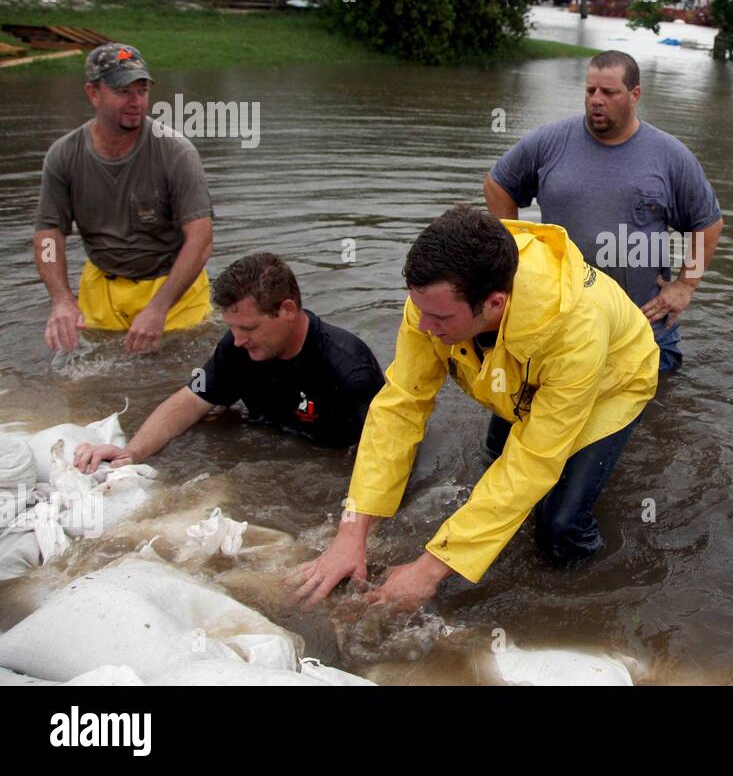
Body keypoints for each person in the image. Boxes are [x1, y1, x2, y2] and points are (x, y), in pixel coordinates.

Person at [290, 205, 658, 610]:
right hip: (519, 378)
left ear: (494, 304)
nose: (424, 326)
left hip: (612, 381)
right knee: (494, 462)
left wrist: (429, 570)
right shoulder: (434, 303)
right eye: (419, 310)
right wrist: (352, 532)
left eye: (440, 318)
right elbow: (401, 407)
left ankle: (584, 590)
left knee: (557, 526)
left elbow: (534, 459)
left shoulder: (576, 334)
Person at [484, 51, 723, 374]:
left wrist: (685, 285)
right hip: (563, 327)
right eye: (590, 90)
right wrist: (516, 252)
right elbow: (498, 185)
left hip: (643, 332)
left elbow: (706, 223)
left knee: (651, 418)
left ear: (635, 94)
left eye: (609, 92)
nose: (597, 100)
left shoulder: (669, 156)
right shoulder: (550, 141)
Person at [73, 253, 386, 472]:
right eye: (232, 328)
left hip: (331, 454)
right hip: (269, 438)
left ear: (287, 310)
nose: (237, 340)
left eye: (248, 328)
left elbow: (386, 456)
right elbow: (188, 401)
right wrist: (131, 453)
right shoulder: (238, 349)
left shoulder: (348, 370)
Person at [34, 43, 214, 354]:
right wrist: (61, 299)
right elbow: (48, 235)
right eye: (123, 91)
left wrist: (158, 308)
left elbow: (201, 240)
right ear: (93, 93)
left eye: (142, 90)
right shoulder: (63, 155)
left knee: (178, 381)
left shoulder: (176, 152)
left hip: (173, 289)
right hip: (102, 288)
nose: (136, 102)